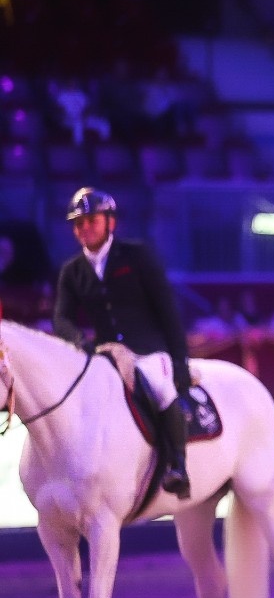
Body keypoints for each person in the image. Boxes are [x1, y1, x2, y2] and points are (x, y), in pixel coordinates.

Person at [53, 187, 192, 498]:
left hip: (147, 349)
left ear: (110, 223)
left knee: (159, 386)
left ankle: (177, 465)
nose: (84, 227)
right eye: (78, 223)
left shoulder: (137, 256)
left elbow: (167, 309)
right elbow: (61, 318)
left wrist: (181, 359)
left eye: (91, 220)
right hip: (105, 353)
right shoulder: (72, 272)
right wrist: (79, 341)